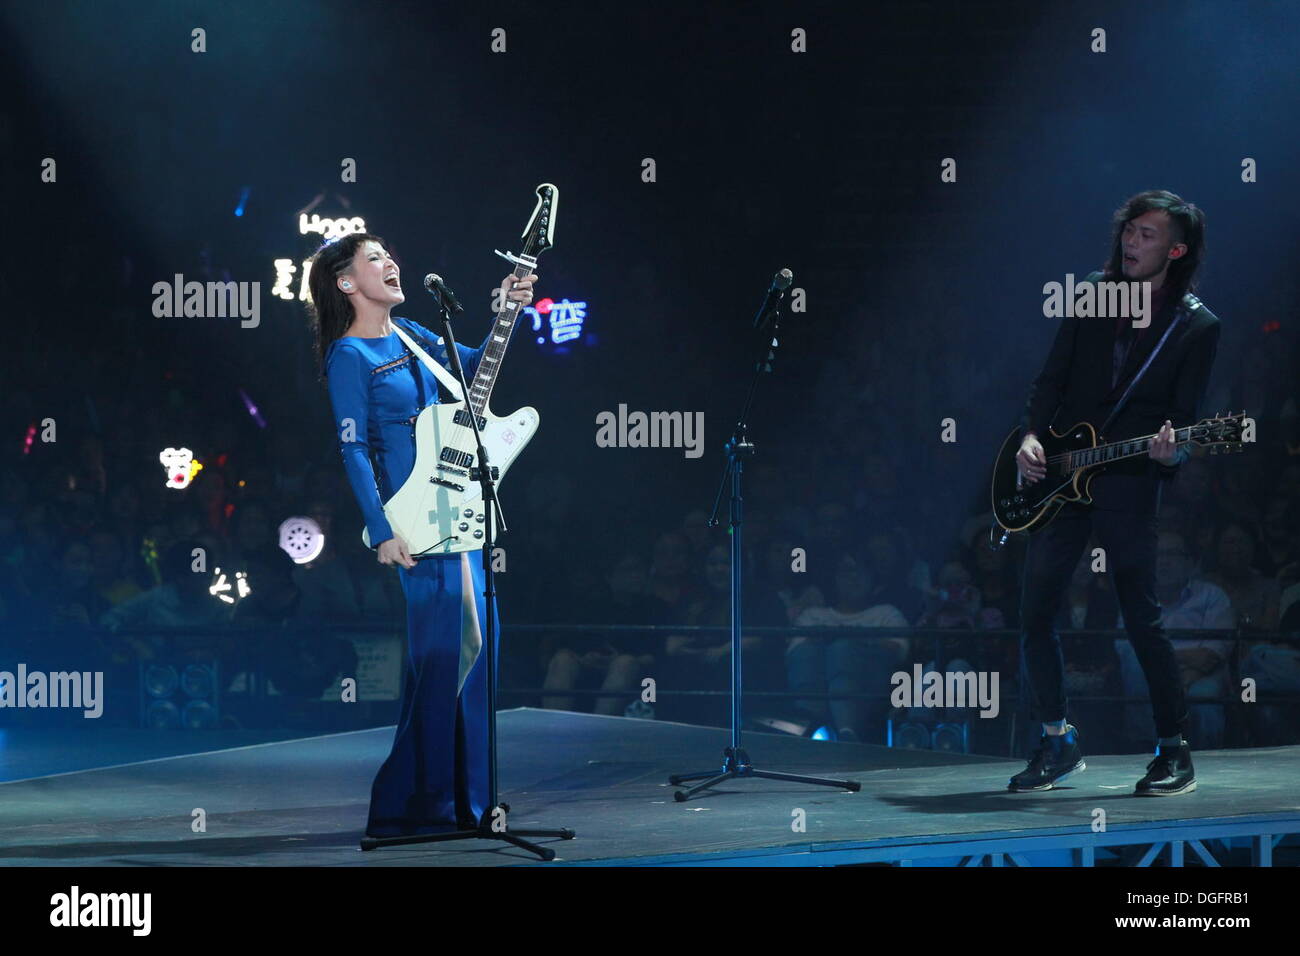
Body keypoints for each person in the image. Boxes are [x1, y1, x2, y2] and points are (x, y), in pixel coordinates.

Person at [309, 231, 535, 836]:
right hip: (414, 522)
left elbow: (475, 369)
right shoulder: (348, 356)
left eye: (389, 254)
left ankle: (471, 800)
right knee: (445, 654)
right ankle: (420, 802)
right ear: (346, 283)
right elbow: (354, 448)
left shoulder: (413, 335)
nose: (391, 262)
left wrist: (508, 310)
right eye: (374, 257)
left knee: (477, 649)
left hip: (460, 508)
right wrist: (381, 529)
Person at [1009, 190, 1220, 796]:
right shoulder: (1093, 294)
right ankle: (1057, 740)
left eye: (1147, 234)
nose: (1132, 240)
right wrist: (1030, 436)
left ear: (1176, 251)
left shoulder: (1196, 325)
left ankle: (1174, 749)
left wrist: (1174, 451)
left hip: (1128, 478)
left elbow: (1184, 421)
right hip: (1062, 473)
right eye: (1130, 229)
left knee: (1141, 616)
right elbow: (1051, 378)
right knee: (1036, 610)